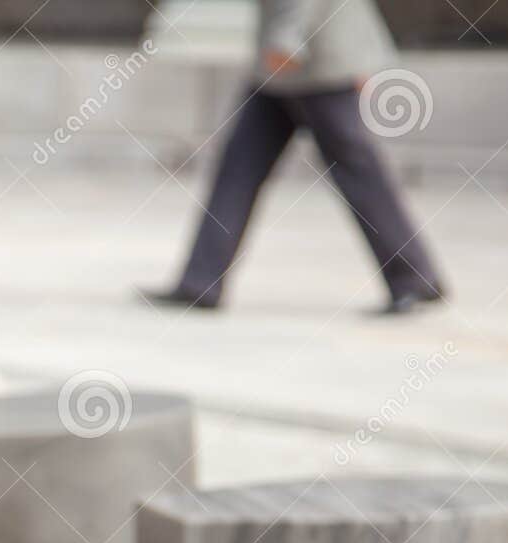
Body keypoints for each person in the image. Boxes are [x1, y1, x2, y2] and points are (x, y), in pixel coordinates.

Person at [146, 0, 445, 314]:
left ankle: (414, 279)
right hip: (283, 70)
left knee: (358, 174)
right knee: (238, 169)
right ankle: (200, 281)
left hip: (317, 65)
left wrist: (285, 40)